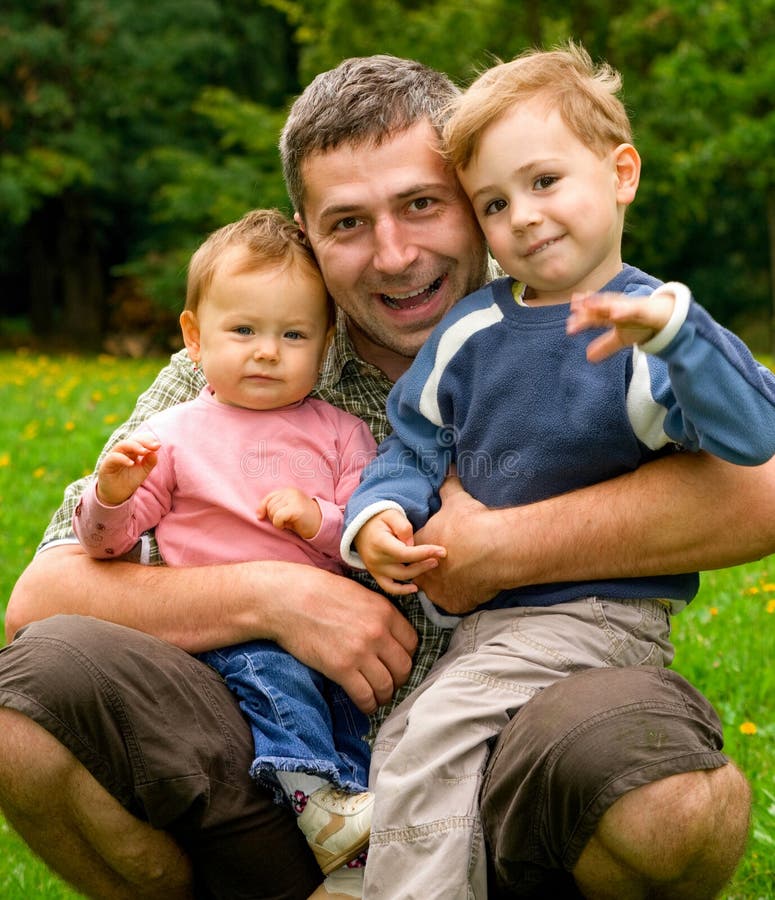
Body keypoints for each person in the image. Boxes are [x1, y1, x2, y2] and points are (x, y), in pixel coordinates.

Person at [0, 53, 769, 900]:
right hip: (275, 763)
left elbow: (761, 477)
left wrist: (502, 547)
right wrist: (276, 598)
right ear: (304, 229)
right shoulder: (242, 358)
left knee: (670, 805)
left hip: (526, 717)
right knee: (26, 708)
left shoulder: (584, 310)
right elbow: (42, 594)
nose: (395, 254)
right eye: (348, 223)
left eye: (422, 204)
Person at [340, 44, 775, 899]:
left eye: (544, 182)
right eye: (494, 202)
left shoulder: (652, 331)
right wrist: (378, 517)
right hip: (487, 632)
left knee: (431, 739)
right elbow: (415, 444)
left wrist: (676, 335)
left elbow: (752, 435)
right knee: (406, 746)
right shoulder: (471, 332)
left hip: (596, 619)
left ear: (621, 174)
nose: (524, 217)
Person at [71, 208, 378, 877]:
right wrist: (114, 493)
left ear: (325, 345)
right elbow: (104, 544)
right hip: (222, 635)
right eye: (243, 330)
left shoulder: (340, 432)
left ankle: (351, 829)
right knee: (275, 677)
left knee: (351, 711)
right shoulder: (174, 432)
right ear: (195, 336)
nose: (267, 350)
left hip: (327, 629)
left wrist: (320, 517)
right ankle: (312, 797)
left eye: (293, 335)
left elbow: (363, 530)